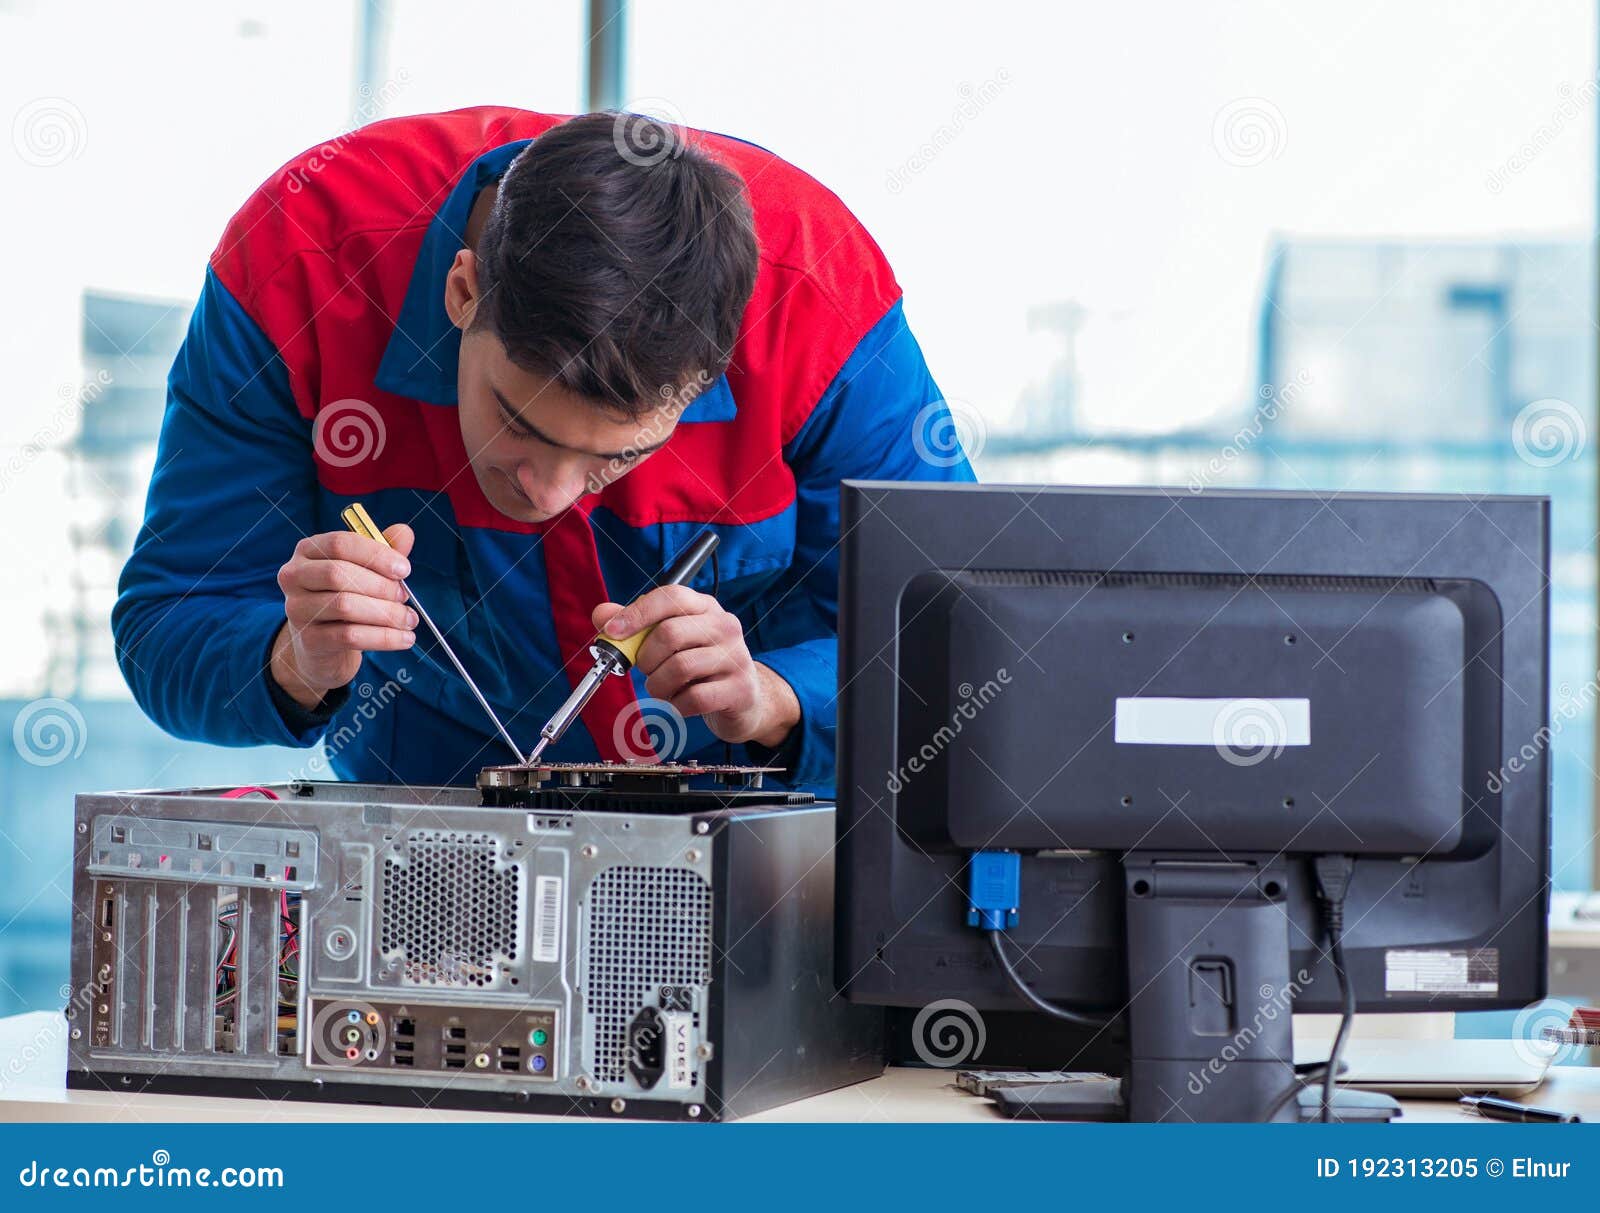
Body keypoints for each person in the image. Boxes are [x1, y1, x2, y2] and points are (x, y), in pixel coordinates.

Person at [113, 107, 976, 793]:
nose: (551, 492)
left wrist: (778, 699)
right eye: (519, 423)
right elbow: (168, 621)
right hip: (432, 859)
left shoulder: (817, 299)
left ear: (716, 366)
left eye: (615, 457)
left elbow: (958, 654)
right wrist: (293, 660)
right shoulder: (299, 259)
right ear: (463, 289)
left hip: (755, 856)